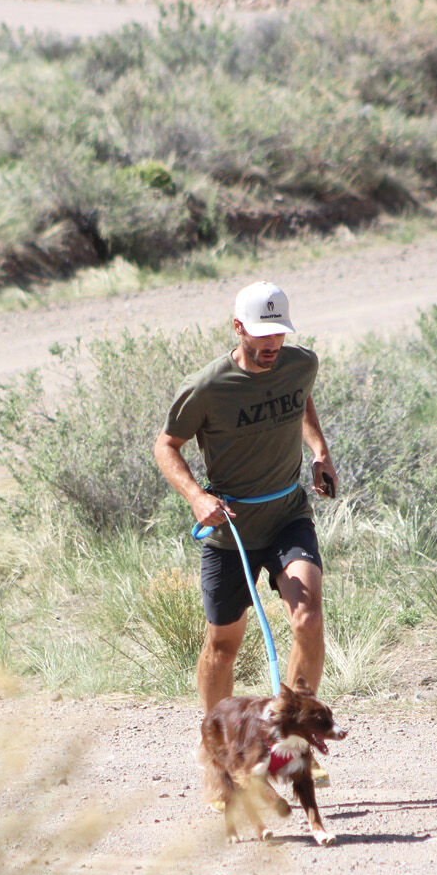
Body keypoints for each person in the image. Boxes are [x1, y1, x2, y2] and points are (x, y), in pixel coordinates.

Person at [152, 280, 338, 746]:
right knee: (223, 645)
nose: (272, 344)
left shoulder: (301, 364)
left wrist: (319, 451)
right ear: (238, 328)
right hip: (230, 530)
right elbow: (166, 445)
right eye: (261, 333)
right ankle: (220, 744)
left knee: (308, 620)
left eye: (278, 332)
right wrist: (196, 496)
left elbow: (301, 400)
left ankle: (292, 736)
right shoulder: (207, 387)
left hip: (286, 515)